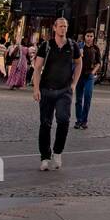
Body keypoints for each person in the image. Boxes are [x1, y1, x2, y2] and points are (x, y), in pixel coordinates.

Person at [33, 18, 83, 172]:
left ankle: (58, 152)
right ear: (54, 28)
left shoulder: (72, 45)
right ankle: (45, 157)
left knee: (63, 121)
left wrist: (74, 84)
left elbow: (79, 63)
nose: (63, 29)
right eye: (61, 26)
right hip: (47, 89)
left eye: (65, 26)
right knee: (45, 124)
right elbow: (37, 67)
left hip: (64, 91)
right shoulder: (46, 46)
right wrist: (36, 88)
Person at [75, 30, 102, 128]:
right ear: (84, 36)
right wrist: (79, 54)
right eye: (88, 36)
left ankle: (84, 120)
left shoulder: (95, 48)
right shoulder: (79, 46)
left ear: (93, 37)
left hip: (89, 76)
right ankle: (78, 120)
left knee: (87, 97)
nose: (89, 38)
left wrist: (93, 72)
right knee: (78, 99)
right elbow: (73, 60)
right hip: (79, 75)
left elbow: (99, 62)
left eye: (91, 36)